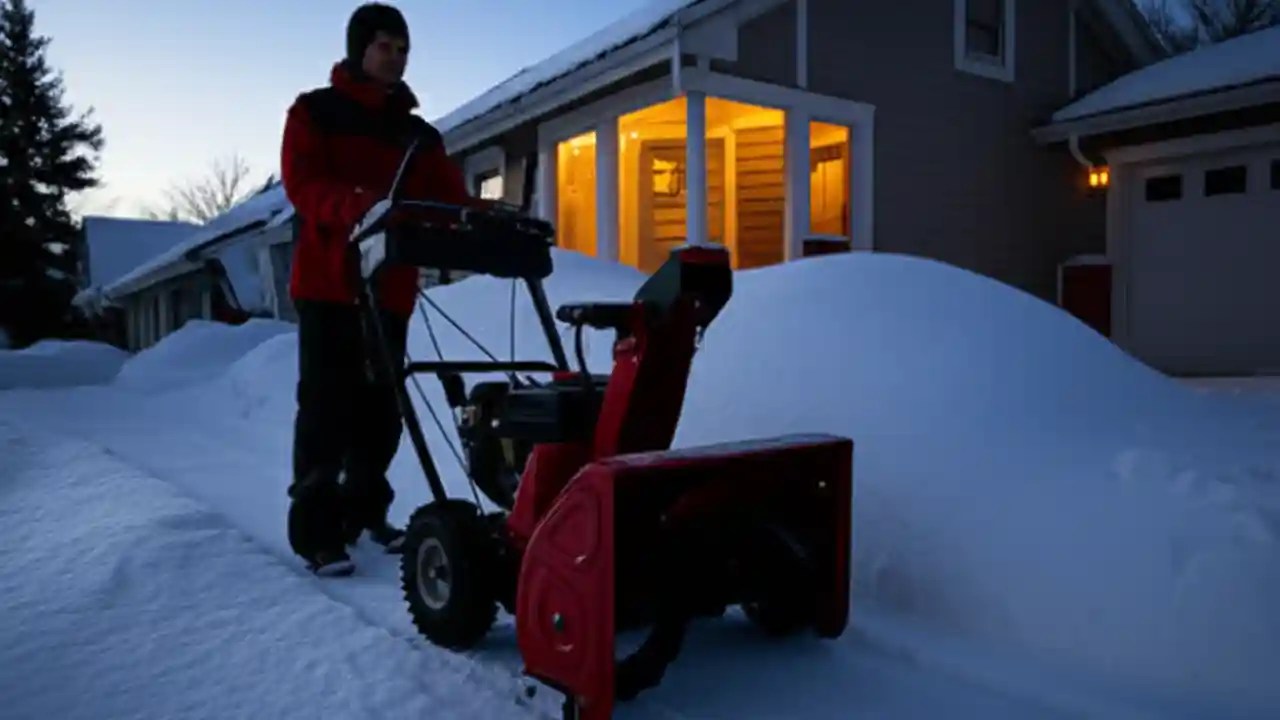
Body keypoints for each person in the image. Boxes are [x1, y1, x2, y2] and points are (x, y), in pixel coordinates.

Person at [279, 2, 476, 576]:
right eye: (385, 46)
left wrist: (483, 219)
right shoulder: (315, 112)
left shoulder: (417, 135)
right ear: (359, 49)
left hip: (389, 288)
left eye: (403, 49)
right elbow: (304, 184)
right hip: (328, 284)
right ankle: (318, 532)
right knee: (324, 407)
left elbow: (447, 201)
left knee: (382, 410)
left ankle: (365, 513)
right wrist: (362, 206)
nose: (395, 57)